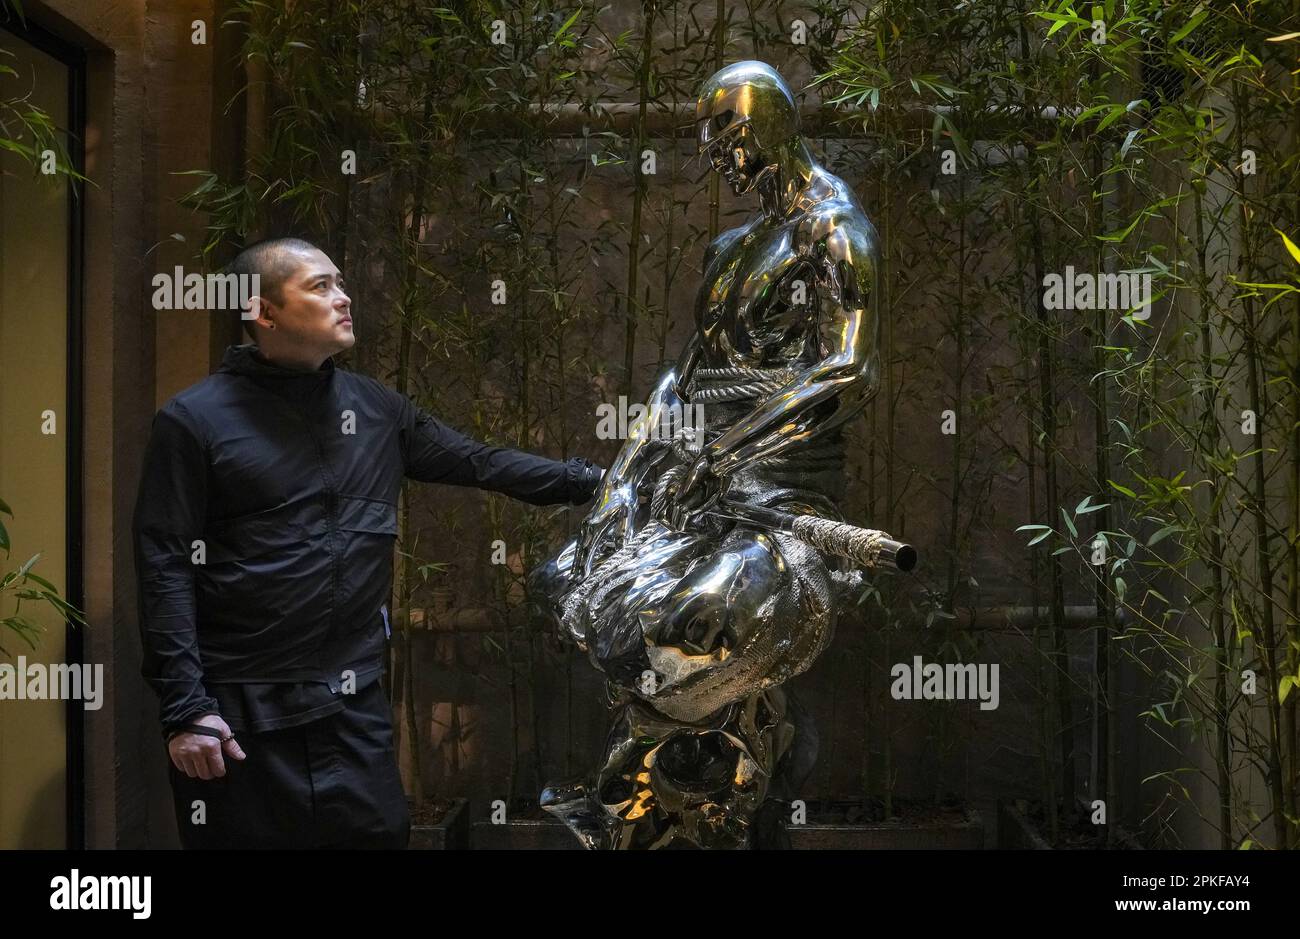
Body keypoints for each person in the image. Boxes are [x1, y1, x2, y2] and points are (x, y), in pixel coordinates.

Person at [133, 236, 603, 849]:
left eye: (342, 282)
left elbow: (480, 462)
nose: (344, 298)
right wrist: (185, 709)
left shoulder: (374, 407)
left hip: (350, 703)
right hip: (240, 711)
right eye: (320, 286)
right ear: (262, 311)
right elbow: (164, 566)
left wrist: (598, 482)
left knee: (379, 836)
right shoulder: (194, 420)